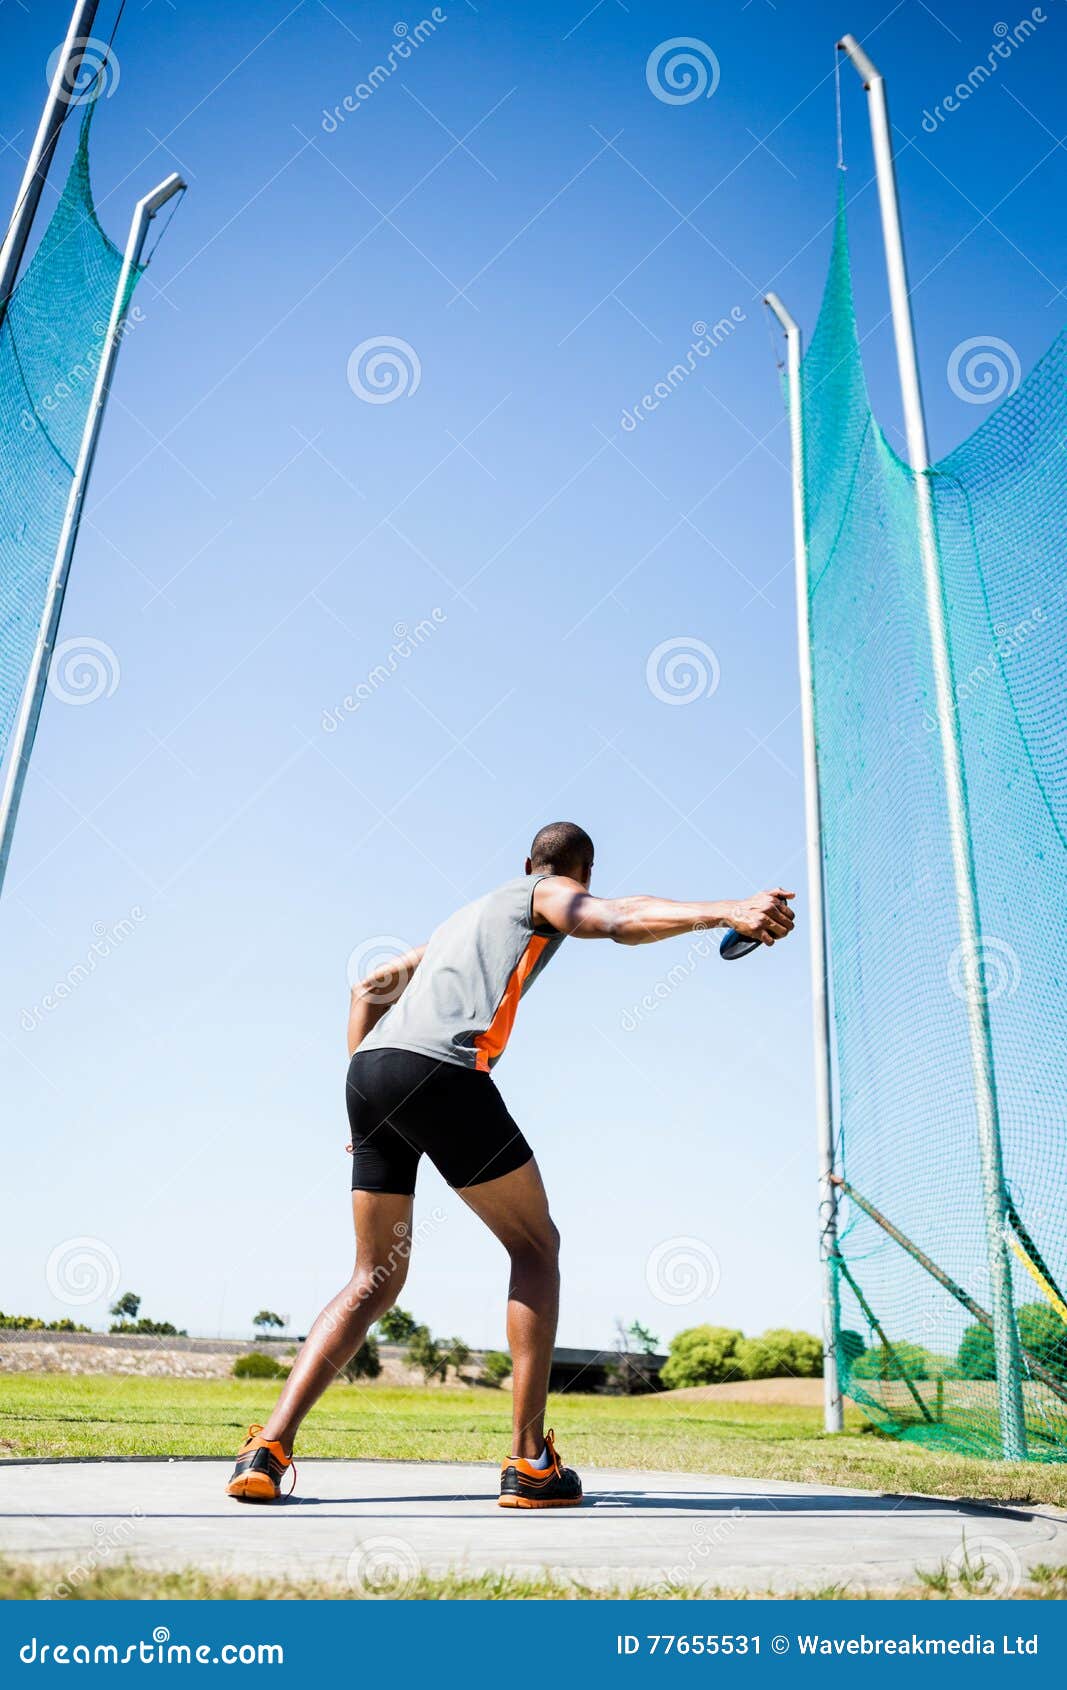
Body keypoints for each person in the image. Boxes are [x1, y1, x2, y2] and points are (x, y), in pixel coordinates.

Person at [226, 822, 794, 1506]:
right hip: (438, 1071)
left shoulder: (464, 919)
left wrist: (367, 1099)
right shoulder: (545, 893)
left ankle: (267, 1449)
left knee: (370, 1278)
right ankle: (530, 1463)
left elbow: (369, 987)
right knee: (534, 1246)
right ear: (563, 874)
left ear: (527, 859)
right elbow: (611, 919)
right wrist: (725, 911)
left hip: (370, 1074)